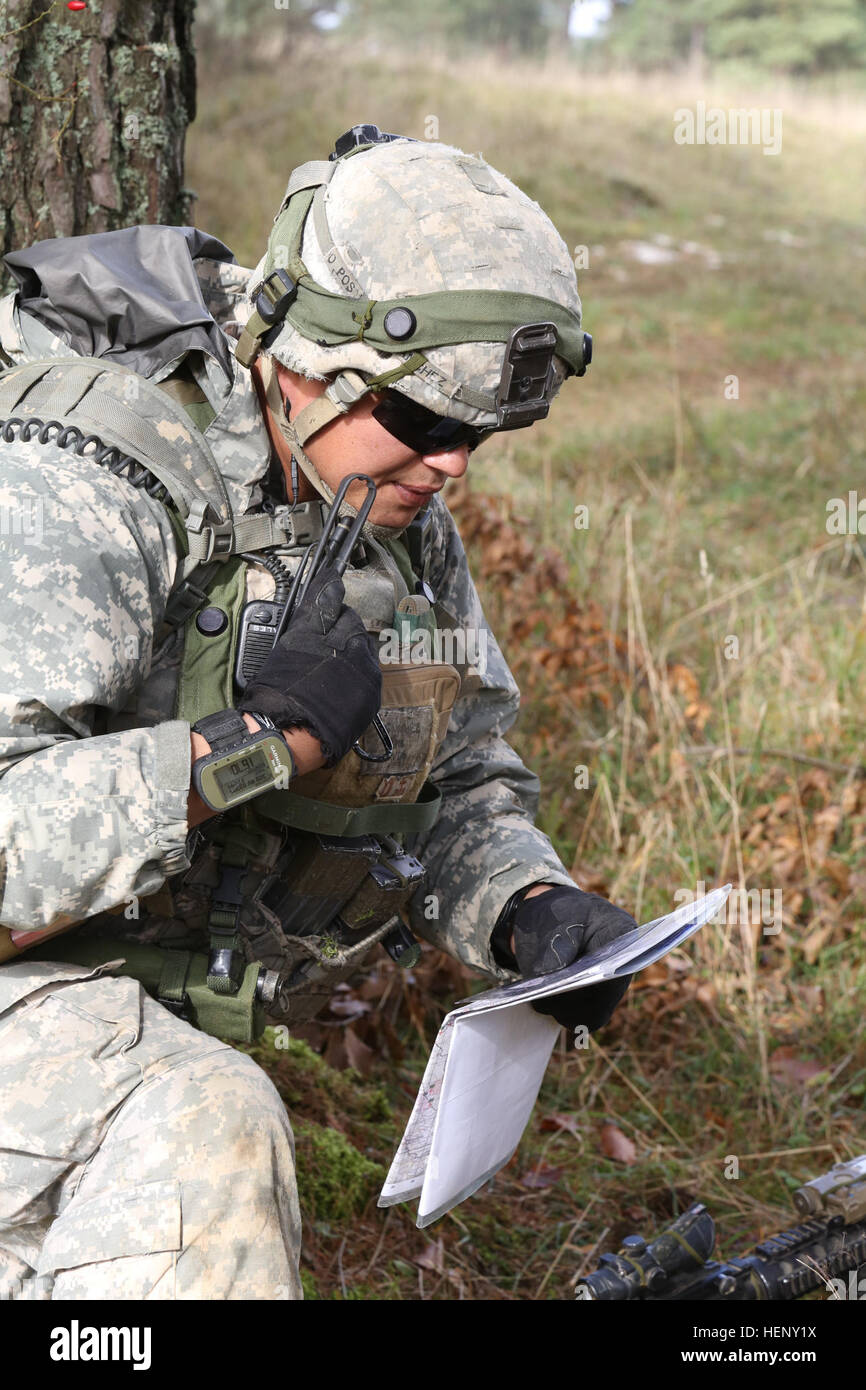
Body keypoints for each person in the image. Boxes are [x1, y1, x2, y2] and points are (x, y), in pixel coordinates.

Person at [0, 126, 636, 1300]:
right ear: (304, 363)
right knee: (203, 1132)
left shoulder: (386, 515)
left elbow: (459, 772)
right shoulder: (95, 475)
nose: (452, 469)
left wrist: (526, 908)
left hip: (103, 1012)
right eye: (428, 426)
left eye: (478, 438)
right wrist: (251, 748)